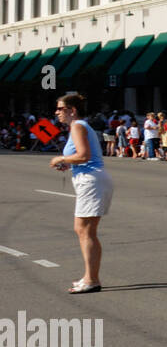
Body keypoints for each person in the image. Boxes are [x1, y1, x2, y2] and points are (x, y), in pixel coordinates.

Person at [50, 93, 113, 294]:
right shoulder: (79, 127)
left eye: (60, 108)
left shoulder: (77, 126)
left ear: (72, 110)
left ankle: (92, 280)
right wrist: (68, 164)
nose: (57, 112)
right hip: (91, 179)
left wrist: (61, 159)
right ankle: (89, 277)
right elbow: (84, 156)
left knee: (86, 231)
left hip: (91, 181)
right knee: (83, 230)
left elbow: (84, 155)